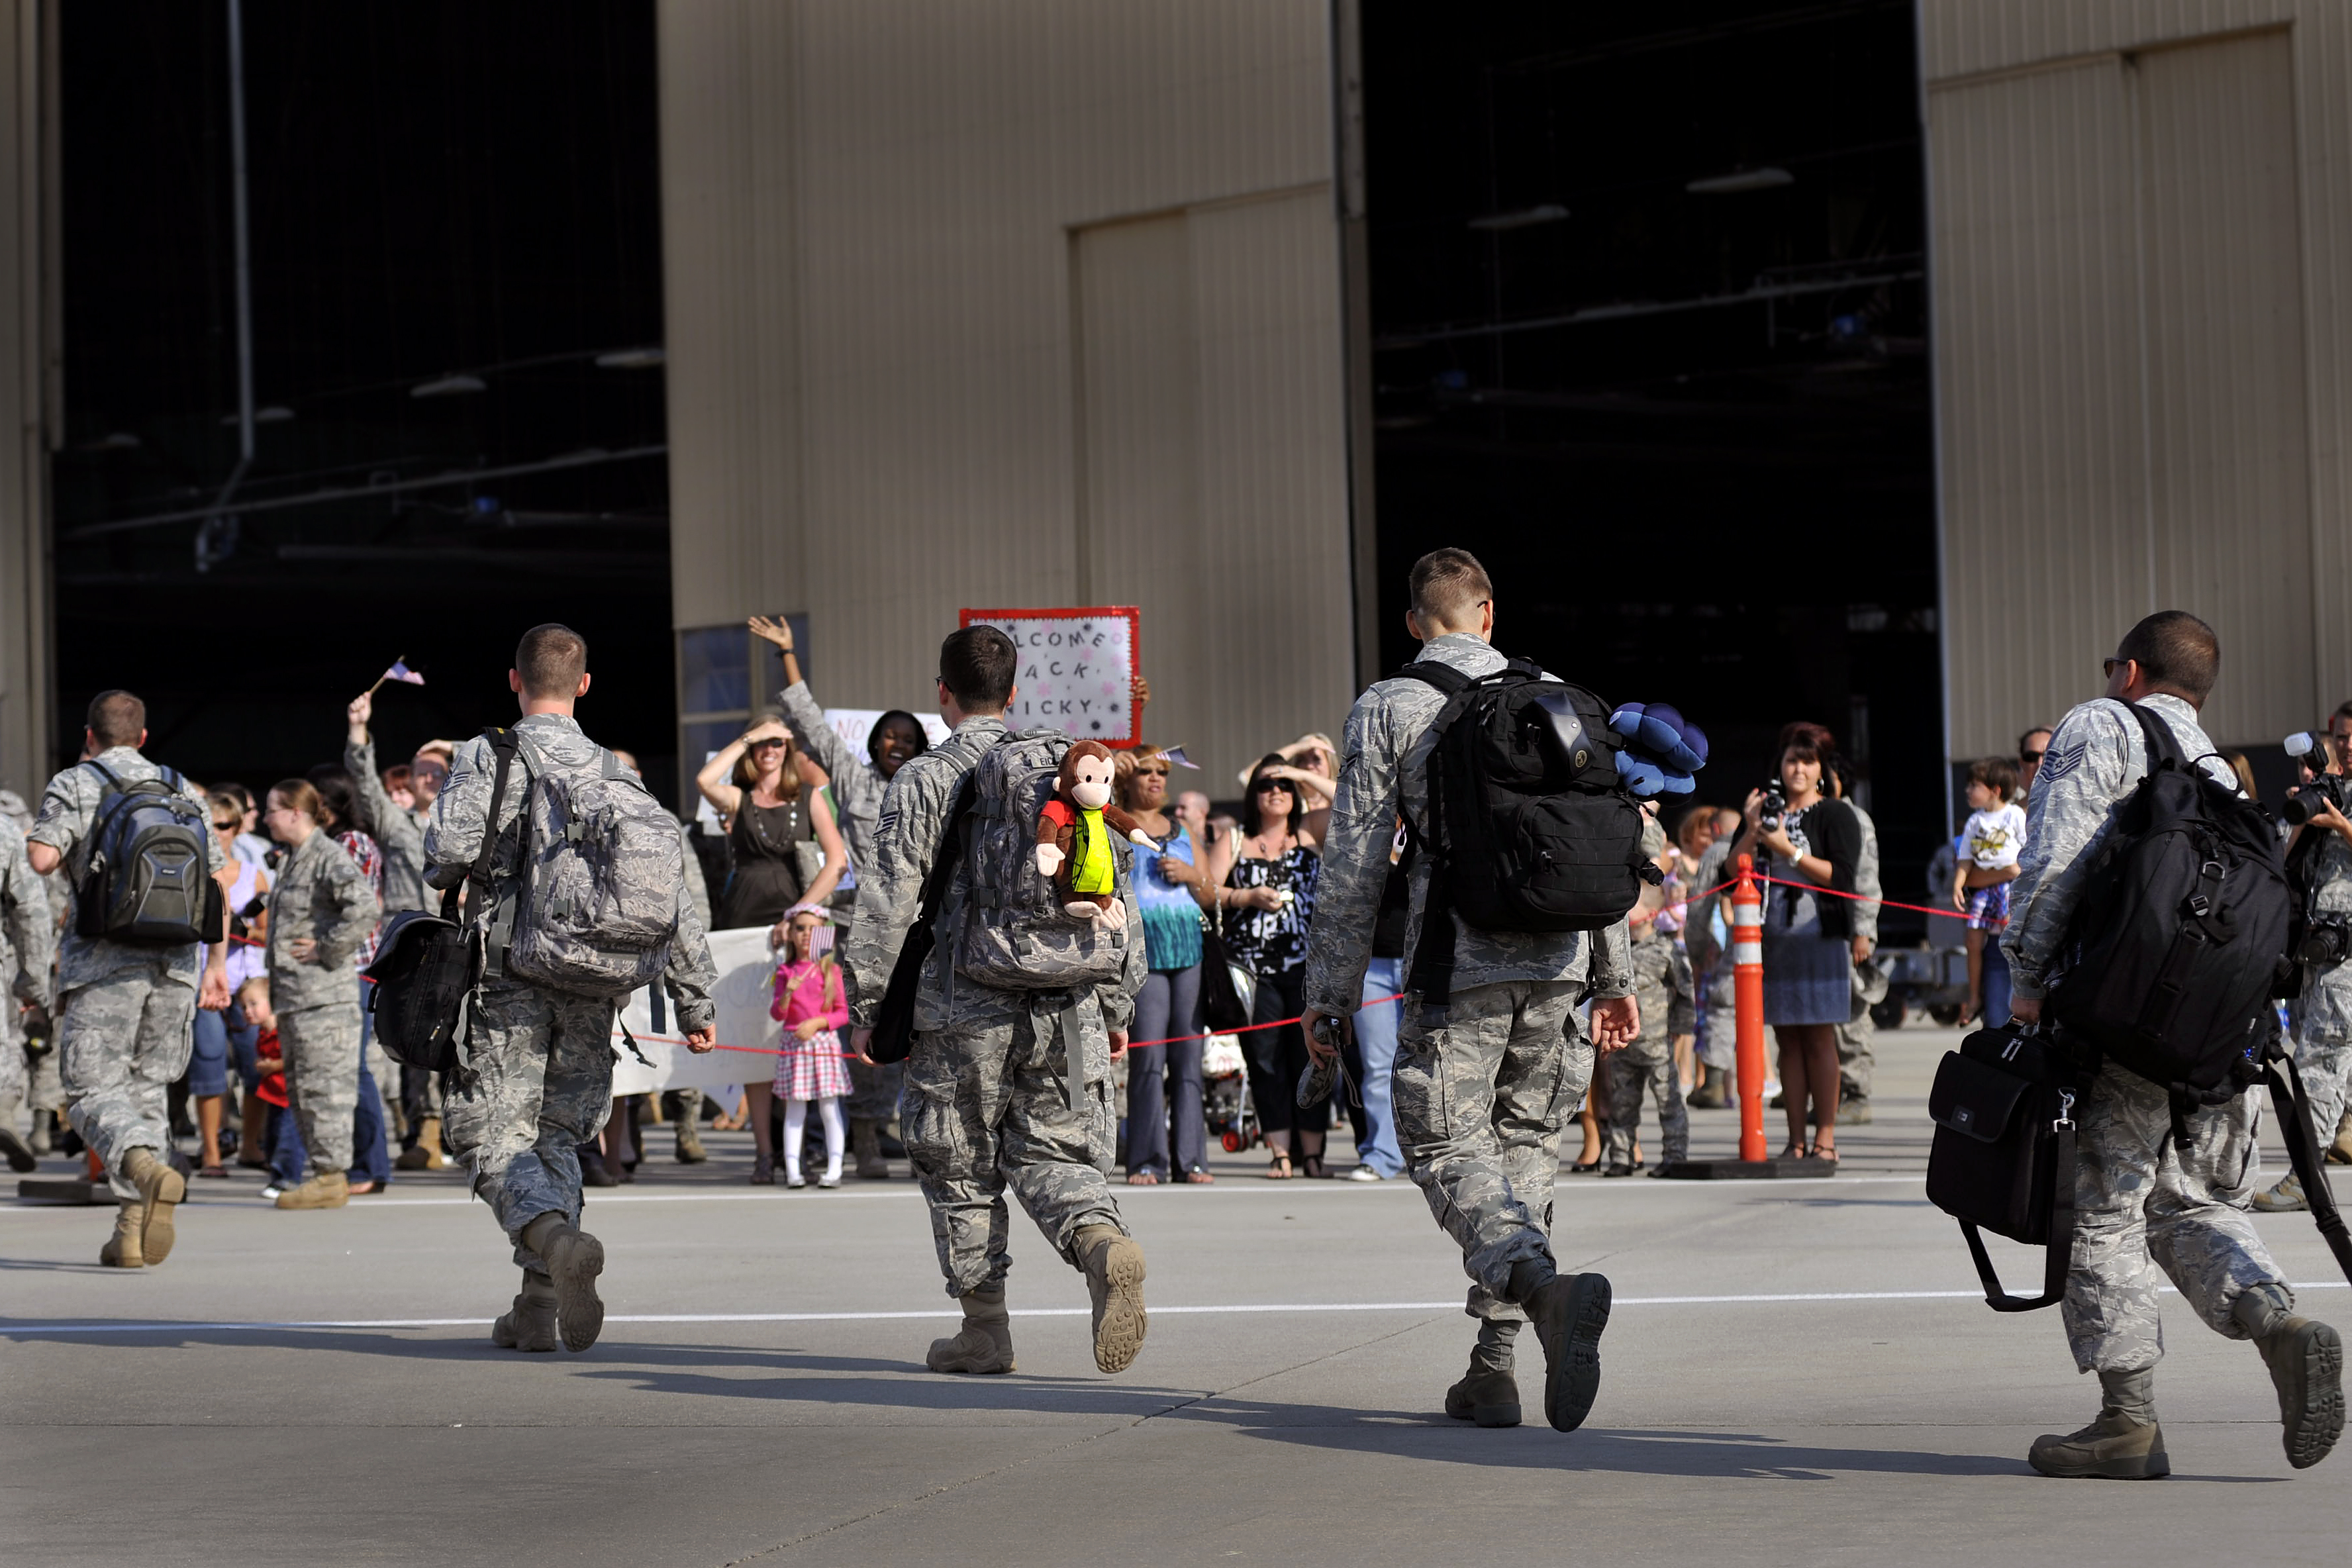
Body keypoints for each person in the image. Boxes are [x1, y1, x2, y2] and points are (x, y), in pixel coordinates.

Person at [1301, 548, 1638, 1435]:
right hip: (1561, 961)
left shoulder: (1391, 706)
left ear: (1415, 623)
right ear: (1489, 614)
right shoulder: (1556, 695)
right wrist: (1616, 976)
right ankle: (1494, 1366)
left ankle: (1540, 1289)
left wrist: (1329, 994)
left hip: (1459, 964)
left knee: (1446, 1143)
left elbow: (1354, 862)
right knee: (1526, 1144)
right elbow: (1601, 839)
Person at [2007, 610, 2341, 1478]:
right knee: (2191, 1204)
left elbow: (2056, 861)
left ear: (2129, 671)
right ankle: (2277, 1320)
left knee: (2106, 1210)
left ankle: (2127, 1423)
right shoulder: (2215, 770)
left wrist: (2028, 978)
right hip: (2221, 1032)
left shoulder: (2102, 725)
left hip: (2122, 1024)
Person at [843, 624, 1150, 1379]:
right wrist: (1117, 1006)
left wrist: (871, 1009)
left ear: (942, 692)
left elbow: (886, 902)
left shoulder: (923, 778)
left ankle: (984, 1330)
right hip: (1068, 997)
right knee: (1057, 1150)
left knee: (959, 1161)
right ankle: (1100, 1243)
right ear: (1014, 693)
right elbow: (1117, 892)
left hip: (961, 1005)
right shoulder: (1064, 770)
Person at [423, 624, 718, 1355]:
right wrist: (694, 999)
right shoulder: (617, 771)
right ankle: (537, 1306)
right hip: (596, 985)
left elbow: (446, 854)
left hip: (507, 981)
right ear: (584, 684)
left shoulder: (491, 754)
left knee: (491, 1136)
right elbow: (670, 895)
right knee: (557, 1135)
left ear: (515, 680)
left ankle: (554, 1238)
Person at [25, 691, 237, 1266]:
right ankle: (130, 1232)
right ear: (143, 738)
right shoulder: (181, 788)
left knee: (90, 1089)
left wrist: (44, 840)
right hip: (178, 964)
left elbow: (42, 859)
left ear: (89, 736)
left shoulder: (76, 782)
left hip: (104, 962)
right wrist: (217, 967)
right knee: (148, 1088)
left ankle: (142, 1165)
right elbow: (219, 883)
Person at [754, 612, 931, 1179]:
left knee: (908, 1027)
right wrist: (787, 653)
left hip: (911, 928)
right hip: (850, 926)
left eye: (909, 740)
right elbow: (809, 722)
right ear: (876, 741)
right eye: (890, 736)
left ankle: (892, 1129)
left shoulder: (929, 789)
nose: (898, 745)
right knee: (845, 1021)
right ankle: (857, 1135)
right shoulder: (854, 780)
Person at [1723, 722, 1863, 1163]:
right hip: (1773, 940)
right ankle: (1795, 1139)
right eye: (1791, 761)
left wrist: (1789, 850)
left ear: (1821, 769)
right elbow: (1731, 872)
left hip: (1819, 937)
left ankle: (1826, 1139)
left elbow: (1843, 878)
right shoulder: (1766, 810)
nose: (1798, 769)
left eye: (1807, 761)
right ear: (1779, 766)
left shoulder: (1836, 813)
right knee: (1786, 1039)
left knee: (1820, 1037)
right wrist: (1753, 829)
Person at [256, 779, 378, 1209]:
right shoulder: (294, 858)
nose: (266, 819)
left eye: (272, 810)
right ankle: (324, 1173)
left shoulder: (327, 855)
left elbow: (365, 908)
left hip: (323, 1000)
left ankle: (331, 1175)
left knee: (325, 1090)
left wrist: (327, 948)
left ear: (295, 812)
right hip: (297, 998)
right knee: (304, 1088)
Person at [1209, 756, 1326, 1178]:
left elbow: (1347, 801)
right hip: (1253, 971)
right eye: (1266, 785)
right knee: (1264, 1060)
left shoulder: (1309, 831)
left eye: (1283, 785)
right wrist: (1247, 897)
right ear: (1252, 794)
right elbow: (1208, 890)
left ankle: (1312, 1153)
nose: (1275, 791)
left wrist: (1297, 772)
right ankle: (1280, 1152)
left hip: (1308, 967)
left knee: (1314, 1058)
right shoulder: (1235, 837)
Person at [2257, 732, 2352, 1215]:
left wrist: (2342, 825)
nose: (2349, 746)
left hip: (2347, 959)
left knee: (2318, 1061)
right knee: (2326, 1056)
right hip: (2315, 951)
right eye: (2344, 738)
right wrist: (2306, 820)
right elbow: (2280, 865)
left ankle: (2304, 1179)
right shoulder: (2329, 798)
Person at [1108, 745, 1210, 1185]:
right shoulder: (1114, 822)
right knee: (1148, 1056)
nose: (1155, 779)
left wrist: (1191, 876)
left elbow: (1210, 891)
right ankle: (1147, 1159)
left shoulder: (1182, 828)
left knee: (1189, 1057)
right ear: (1128, 778)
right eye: (1145, 771)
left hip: (1189, 952)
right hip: (1143, 954)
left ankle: (1192, 1159)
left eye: (1162, 772)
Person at [696, 716, 848, 932]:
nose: (769, 749)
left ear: (787, 748)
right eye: (762, 742)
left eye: (777, 742)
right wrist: (748, 738)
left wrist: (800, 910)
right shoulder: (739, 798)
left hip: (796, 914)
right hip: (743, 911)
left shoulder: (809, 796)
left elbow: (838, 862)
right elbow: (704, 781)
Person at [1603, 817, 1688, 1177]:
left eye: (1633, 908)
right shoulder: (1615, 950)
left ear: (1651, 913)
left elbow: (1685, 992)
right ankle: (1621, 1157)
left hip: (1657, 1042)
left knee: (1669, 1102)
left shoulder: (1665, 951)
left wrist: (1680, 1029)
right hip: (1625, 1047)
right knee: (1623, 1104)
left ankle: (1674, 1156)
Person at [189, 791, 268, 1177]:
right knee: (209, 1066)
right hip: (203, 983)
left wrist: (244, 930)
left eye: (222, 825)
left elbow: (270, 933)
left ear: (237, 829)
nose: (216, 833)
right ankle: (211, 1153)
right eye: (209, 825)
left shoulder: (253, 875)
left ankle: (251, 1146)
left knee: (257, 1067)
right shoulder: (190, 873)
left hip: (247, 984)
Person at [1342, 815, 1411, 1183]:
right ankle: (1382, 1154)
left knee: (1431, 1061)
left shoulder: (1431, 821)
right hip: (1374, 963)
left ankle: (1432, 1150)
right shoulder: (1365, 829)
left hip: (1424, 961)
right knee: (1378, 1064)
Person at [770, 907, 851, 1189]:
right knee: (795, 1109)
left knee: (829, 1107)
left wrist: (818, 1022)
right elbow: (778, 1014)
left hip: (823, 1044)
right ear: (791, 934)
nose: (806, 935)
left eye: (814, 929)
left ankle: (835, 1169)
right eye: (800, 928)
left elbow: (843, 1012)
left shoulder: (831, 971)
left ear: (825, 934)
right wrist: (787, 993)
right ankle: (793, 1170)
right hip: (795, 1045)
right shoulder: (785, 971)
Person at [1828, 762, 1885, 1122]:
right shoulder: (1808, 814)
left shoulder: (1854, 818)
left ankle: (1856, 1093)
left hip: (1849, 934)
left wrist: (1863, 930)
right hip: (1819, 932)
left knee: (1851, 1014)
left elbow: (1866, 878)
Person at [1950, 756, 2025, 1028]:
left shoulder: (2014, 815)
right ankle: (1974, 996)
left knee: (2008, 935)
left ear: (1995, 790)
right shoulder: (1975, 821)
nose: (1968, 791)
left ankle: (2014, 991)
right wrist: (1958, 884)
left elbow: (2026, 852)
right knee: (1972, 941)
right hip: (1984, 889)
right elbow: (1965, 859)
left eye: (1974, 786)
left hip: (2008, 888)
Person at [0, 799, 52, 1171]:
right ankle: (3, 1111)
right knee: (6, 1045)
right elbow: (31, 911)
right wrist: (33, 981)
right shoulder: (4, 832)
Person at [2016, 726, 2055, 803]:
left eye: (2047, 756)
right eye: (2032, 757)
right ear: (2022, 763)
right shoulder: (2013, 810)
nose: (2040, 763)